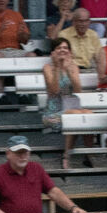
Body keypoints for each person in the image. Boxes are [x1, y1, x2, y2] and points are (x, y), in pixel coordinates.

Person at [0, 135, 88, 213]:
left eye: (25, 152)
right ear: (8, 154)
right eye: (18, 153)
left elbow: (54, 192)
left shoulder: (37, 168)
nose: (22, 156)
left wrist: (73, 207)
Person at [40, 40, 86, 169]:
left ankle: (89, 155)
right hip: (53, 113)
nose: (62, 50)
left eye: (65, 48)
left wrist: (69, 71)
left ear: (69, 52)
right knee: (74, 116)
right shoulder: (48, 68)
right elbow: (54, 91)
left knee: (88, 114)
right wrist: (57, 68)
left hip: (73, 109)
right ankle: (66, 155)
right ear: (53, 52)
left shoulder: (73, 67)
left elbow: (78, 91)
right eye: (59, 47)